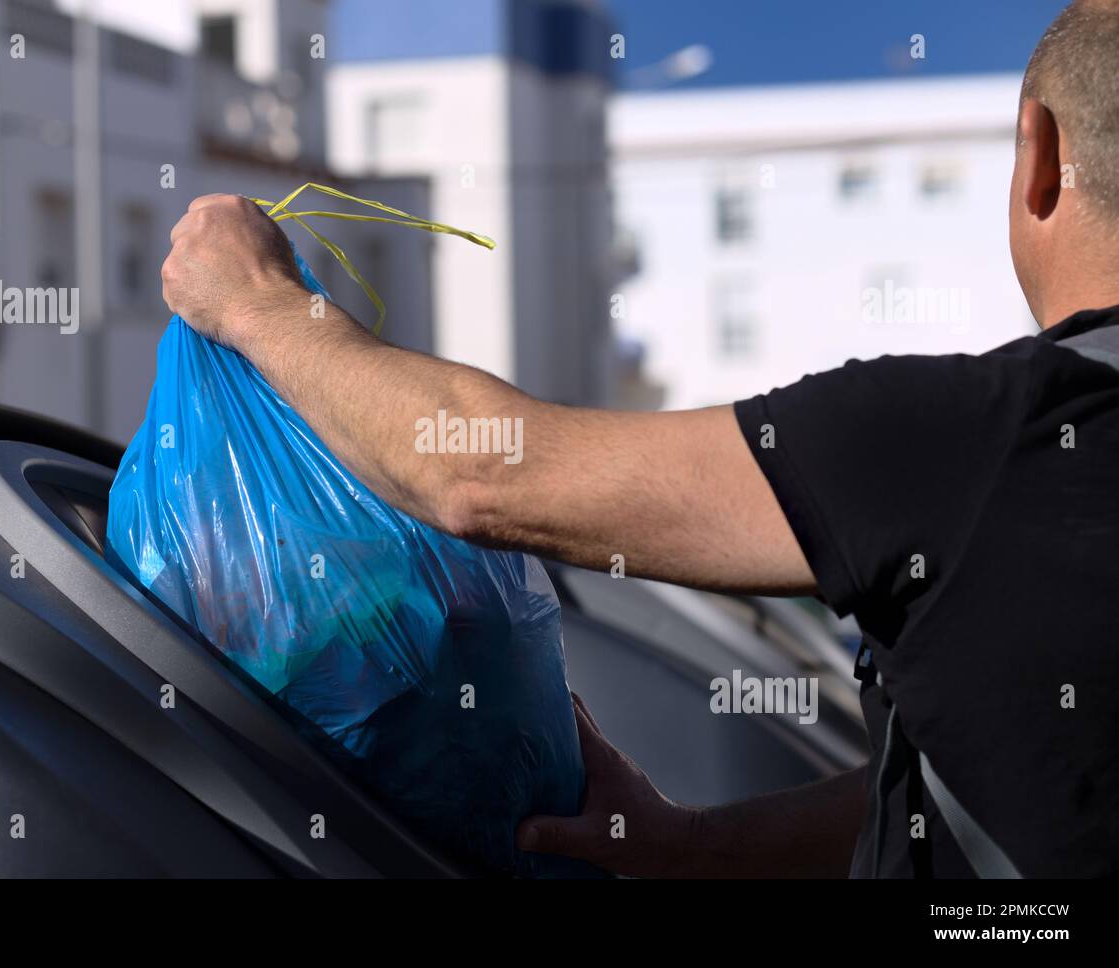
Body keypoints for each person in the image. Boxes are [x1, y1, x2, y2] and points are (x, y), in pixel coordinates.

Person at [160, 1, 1119, 877]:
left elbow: (482, 472)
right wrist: (691, 847)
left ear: (1039, 156)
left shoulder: (981, 435)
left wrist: (260, 306)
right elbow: (981, 775)